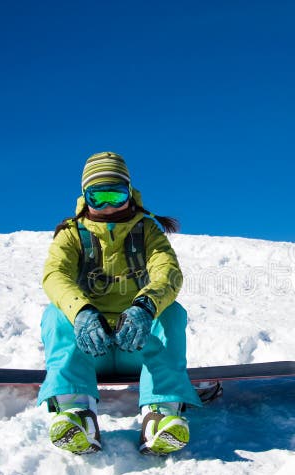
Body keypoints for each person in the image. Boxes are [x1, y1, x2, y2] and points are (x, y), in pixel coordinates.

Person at [37, 151, 202, 455]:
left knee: (171, 313)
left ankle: (161, 414)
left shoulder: (148, 232)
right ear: (85, 197)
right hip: (88, 348)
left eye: (116, 194)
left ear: (130, 194)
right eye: (99, 197)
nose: (109, 206)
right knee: (54, 313)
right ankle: (76, 413)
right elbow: (55, 275)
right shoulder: (71, 234)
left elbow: (167, 272)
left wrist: (145, 306)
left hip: (138, 346)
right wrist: (82, 312)